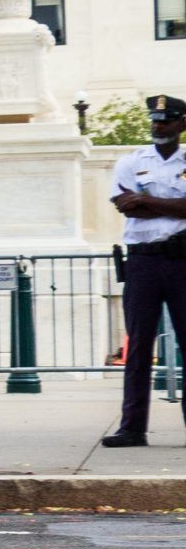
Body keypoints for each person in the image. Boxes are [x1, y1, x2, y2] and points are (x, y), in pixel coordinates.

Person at [105, 94, 186, 447]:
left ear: (182, 124)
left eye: (166, 120)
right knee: (138, 347)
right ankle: (132, 427)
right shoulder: (131, 161)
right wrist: (169, 206)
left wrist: (146, 198)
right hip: (143, 262)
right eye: (155, 119)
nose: (158, 125)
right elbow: (127, 208)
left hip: (182, 261)